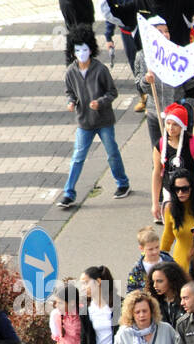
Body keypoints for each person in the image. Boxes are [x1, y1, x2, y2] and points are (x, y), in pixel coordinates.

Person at [58, 27, 129, 209]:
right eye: (77, 50)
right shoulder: (70, 72)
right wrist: (71, 102)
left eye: (84, 49)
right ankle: (69, 193)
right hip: (84, 122)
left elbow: (112, 92)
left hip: (103, 120)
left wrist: (101, 102)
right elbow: (70, 92)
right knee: (77, 157)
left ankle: (122, 183)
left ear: (91, 49)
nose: (81, 53)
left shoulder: (101, 69)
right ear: (72, 52)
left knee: (112, 152)